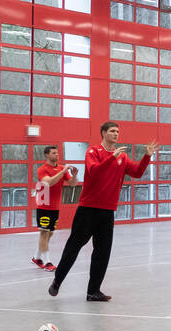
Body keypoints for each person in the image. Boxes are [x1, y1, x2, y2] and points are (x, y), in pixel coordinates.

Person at [48, 122, 156, 302]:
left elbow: (136, 172)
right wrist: (111, 157)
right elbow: (95, 171)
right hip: (88, 209)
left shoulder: (121, 156)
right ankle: (57, 280)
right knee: (74, 246)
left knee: (102, 251)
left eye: (118, 132)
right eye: (112, 131)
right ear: (103, 133)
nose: (116, 134)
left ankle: (93, 291)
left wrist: (146, 156)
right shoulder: (93, 152)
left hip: (107, 211)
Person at [31, 145, 74, 271]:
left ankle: (36, 257)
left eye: (57, 153)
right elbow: (48, 182)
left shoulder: (61, 168)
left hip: (55, 207)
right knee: (44, 233)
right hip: (44, 205)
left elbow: (72, 183)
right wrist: (63, 171)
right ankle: (47, 262)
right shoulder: (42, 169)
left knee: (49, 234)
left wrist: (74, 175)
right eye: (54, 153)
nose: (57, 155)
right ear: (46, 155)